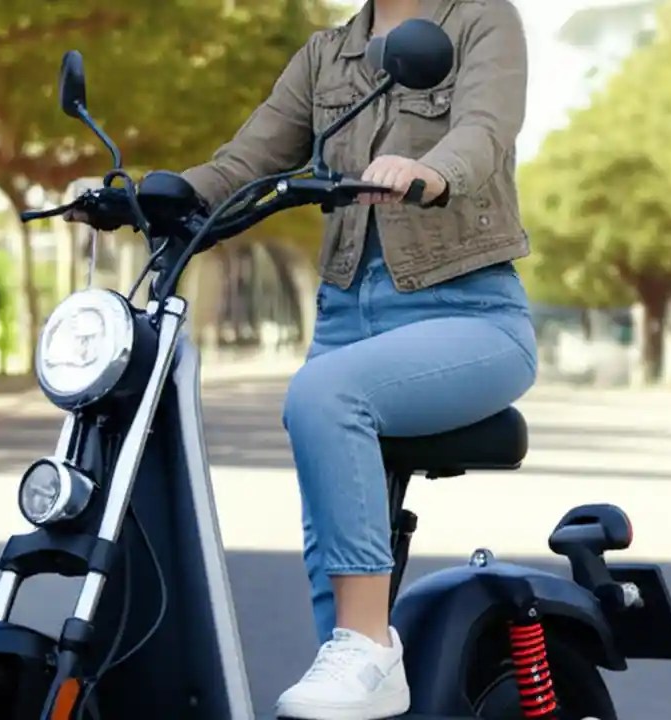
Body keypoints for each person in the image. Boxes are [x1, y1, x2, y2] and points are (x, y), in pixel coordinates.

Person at [182, 1, 534, 717]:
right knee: (327, 556)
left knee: (323, 394)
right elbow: (247, 161)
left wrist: (430, 172)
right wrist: (159, 193)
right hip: (346, 317)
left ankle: (370, 645)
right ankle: (362, 673)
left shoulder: (481, 19)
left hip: (471, 314)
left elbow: (483, 130)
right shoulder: (327, 54)